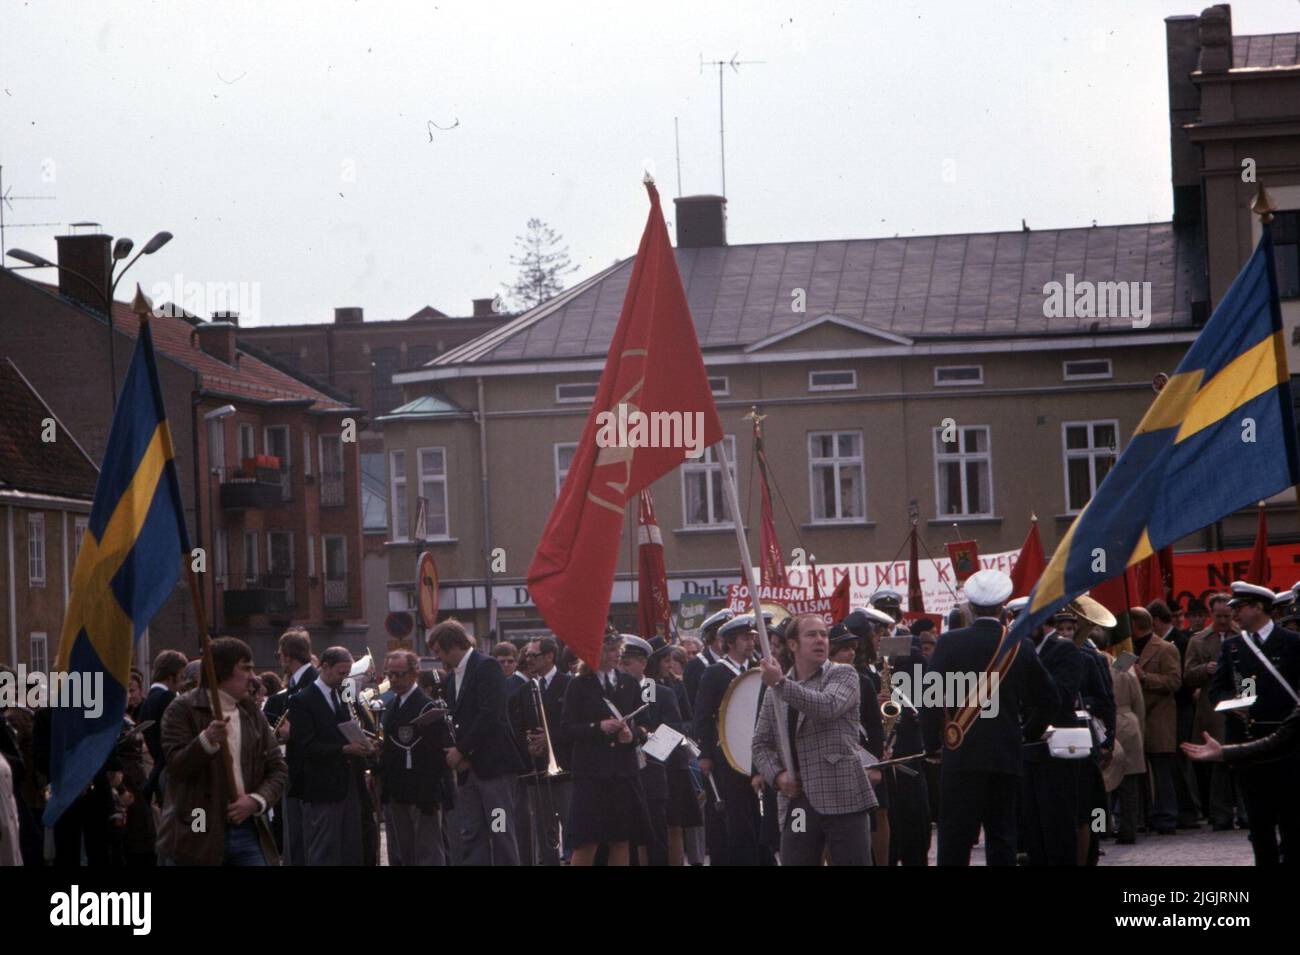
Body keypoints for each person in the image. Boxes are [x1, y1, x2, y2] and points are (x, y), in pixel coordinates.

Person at [921, 569, 1057, 866]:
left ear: (969, 607)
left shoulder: (949, 643)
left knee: (955, 836)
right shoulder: (1022, 645)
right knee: (1002, 836)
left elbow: (930, 699)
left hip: (960, 753)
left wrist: (934, 743)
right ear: (1003, 607)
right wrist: (1025, 733)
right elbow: (1049, 700)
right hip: (1004, 754)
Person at [753, 612, 876, 865]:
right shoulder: (773, 692)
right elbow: (760, 744)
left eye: (823, 634)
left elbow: (827, 707)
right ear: (793, 644)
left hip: (843, 797)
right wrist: (777, 776)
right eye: (811, 634)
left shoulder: (843, 675)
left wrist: (781, 684)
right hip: (798, 804)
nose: (820, 640)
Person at [156, 637, 287, 865]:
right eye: (245, 668)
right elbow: (175, 767)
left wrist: (256, 801)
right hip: (197, 831)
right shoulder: (182, 709)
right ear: (223, 670)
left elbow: (278, 769)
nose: (252, 676)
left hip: (247, 829)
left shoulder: (251, 713)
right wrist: (205, 742)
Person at [1209, 581, 1300, 865]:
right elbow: (1218, 689)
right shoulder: (1234, 647)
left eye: (1241, 608)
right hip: (1248, 744)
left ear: (1259, 608)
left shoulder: (1293, 642)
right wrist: (1232, 706)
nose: (1236, 615)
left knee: (1292, 822)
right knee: (1259, 826)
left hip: (1288, 744)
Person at [433, 619, 523, 865]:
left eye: (439, 651)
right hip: (469, 772)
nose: (438, 657)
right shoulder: (452, 679)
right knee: (471, 833)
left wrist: (461, 750)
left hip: (494, 769)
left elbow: (490, 714)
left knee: (500, 830)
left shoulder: (487, 666)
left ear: (451, 646)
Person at [562, 633, 651, 866]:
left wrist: (631, 736)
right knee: (586, 841)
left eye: (617, 650)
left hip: (622, 773)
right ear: (596, 653)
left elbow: (645, 725)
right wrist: (598, 727)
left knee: (620, 840)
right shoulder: (578, 684)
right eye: (610, 650)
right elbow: (566, 729)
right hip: (591, 774)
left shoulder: (629, 682)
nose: (616, 655)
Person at [286, 646, 375, 866]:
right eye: (341, 673)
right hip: (322, 787)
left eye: (347, 673)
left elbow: (347, 728)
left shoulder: (342, 695)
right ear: (324, 667)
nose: (344, 678)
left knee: (351, 848)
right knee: (324, 849)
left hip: (348, 783)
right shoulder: (303, 700)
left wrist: (363, 743)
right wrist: (344, 749)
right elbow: (305, 747)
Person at [693, 613, 765, 865]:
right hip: (726, 753)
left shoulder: (758, 670)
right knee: (736, 814)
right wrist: (704, 754)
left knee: (758, 813)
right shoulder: (715, 673)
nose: (751, 643)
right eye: (745, 638)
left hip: (756, 752)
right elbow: (702, 715)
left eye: (752, 638)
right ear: (731, 642)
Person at [1019, 607, 1088, 866]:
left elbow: (1059, 697)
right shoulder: (1026, 651)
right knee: (1034, 825)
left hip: (1056, 748)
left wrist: (1027, 730)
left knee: (1057, 823)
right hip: (1031, 750)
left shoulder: (1063, 649)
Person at [379, 650, 452, 865]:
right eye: (390, 674)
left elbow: (435, 754)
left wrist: (429, 793)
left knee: (428, 851)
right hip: (397, 788)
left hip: (422, 790)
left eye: (399, 674)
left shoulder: (427, 705)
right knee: (403, 851)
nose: (393, 680)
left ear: (414, 674)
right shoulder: (391, 705)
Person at [510, 637, 572, 865]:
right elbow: (516, 725)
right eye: (526, 656)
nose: (528, 660)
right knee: (544, 830)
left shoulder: (569, 684)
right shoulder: (525, 690)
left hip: (566, 769)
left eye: (533, 656)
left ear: (549, 657)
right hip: (538, 770)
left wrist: (549, 739)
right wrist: (529, 744)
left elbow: (575, 725)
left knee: (571, 824)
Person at [1184, 593, 1241, 830]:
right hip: (1212, 710)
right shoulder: (1198, 641)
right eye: (1218, 616)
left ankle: (1246, 812)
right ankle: (1221, 814)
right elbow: (1187, 675)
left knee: (1242, 760)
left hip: (1240, 707)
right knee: (1218, 765)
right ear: (1211, 615)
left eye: (1227, 616)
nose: (1223, 621)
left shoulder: (1243, 636)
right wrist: (1204, 670)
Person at [264, 628, 317, 864]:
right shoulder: (297, 682)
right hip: (295, 768)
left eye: (279, 655)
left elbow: (322, 724)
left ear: (287, 655)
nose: (279, 660)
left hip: (307, 772)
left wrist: (290, 733)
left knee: (304, 838)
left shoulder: (311, 681)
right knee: (294, 836)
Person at [1129, 606, 1182, 836]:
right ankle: (1144, 817)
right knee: (1138, 770)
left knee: (1162, 770)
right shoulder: (1126, 649)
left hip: (1158, 717)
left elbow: (1174, 681)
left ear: (1136, 625)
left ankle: (1167, 817)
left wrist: (1145, 677)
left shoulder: (1165, 649)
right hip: (1134, 718)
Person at [1149, 599, 1200, 829]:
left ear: (1156, 621)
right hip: (1164, 712)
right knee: (1172, 762)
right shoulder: (1169, 641)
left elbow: (1179, 680)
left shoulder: (1178, 641)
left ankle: (1188, 810)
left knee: (1180, 759)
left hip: (1180, 708)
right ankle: (1182, 810)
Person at [1105, 638, 1146, 844]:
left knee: (1101, 783)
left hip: (1103, 725)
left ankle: (1101, 828)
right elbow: (1138, 700)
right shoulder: (1122, 666)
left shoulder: (1089, 661)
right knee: (1128, 784)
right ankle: (1129, 829)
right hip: (1128, 723)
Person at [684, 608, 733, 707]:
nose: (726, 640)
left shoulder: (735, 661)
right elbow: (691, 703)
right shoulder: (695, 666)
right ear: (712, 636)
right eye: (722, 636)